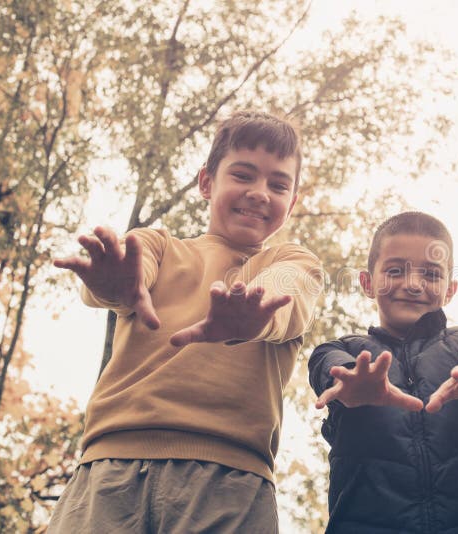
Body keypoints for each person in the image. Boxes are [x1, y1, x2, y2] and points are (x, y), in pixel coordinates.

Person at [48, 110, 323, 533]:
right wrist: (116, 287)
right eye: (243, 175)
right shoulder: (159, 245)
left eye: (278, 184)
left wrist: (252, 313)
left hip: (229, 479)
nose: (259, 193)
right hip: (110, 468)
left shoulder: (292, 261)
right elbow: (125, 274)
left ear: (293, 202)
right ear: (206, 182)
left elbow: (286, 294)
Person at [308, 211, 458, 534]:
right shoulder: (347, 350)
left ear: (450, 290)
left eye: (431, 274)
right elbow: (326, 364)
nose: (412, 284)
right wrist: (352, 379)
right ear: (367, 283)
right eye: (395, 271)